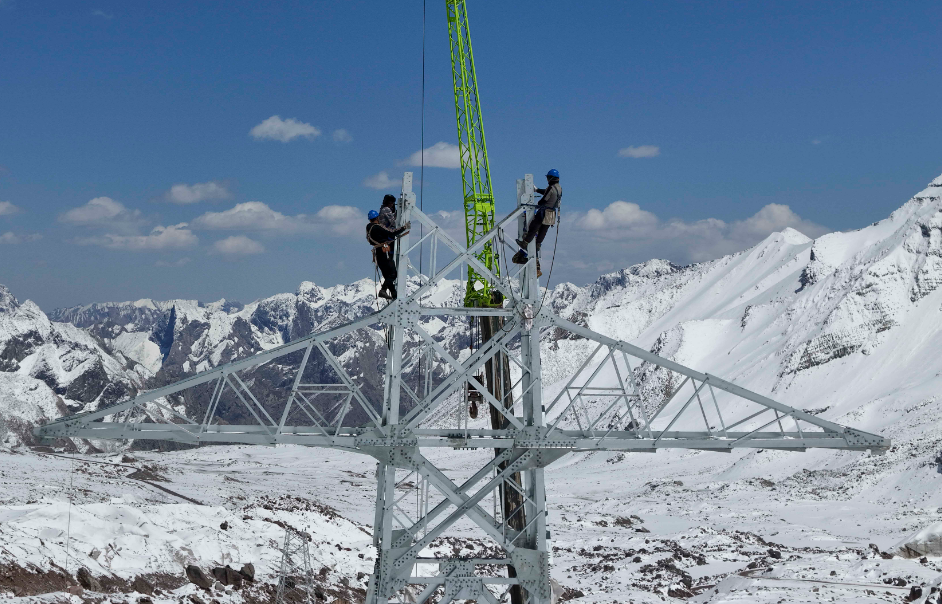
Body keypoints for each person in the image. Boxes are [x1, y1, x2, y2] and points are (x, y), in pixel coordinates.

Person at [513, 169, 562, 275]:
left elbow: (544, 199)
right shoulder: (559, 188)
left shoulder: (551, 188)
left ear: (551, 178)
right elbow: (548, 192)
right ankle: (538, 244)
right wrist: (537, 190)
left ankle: (525, 243)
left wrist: (539, 202)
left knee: (534, 227)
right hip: (552, 214)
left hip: (544, 211)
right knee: (543, 231)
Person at [366, 209, 410, 300]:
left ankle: (394, 295)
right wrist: (404, 228)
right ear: (377, 218)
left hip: (378, 253)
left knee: (387, 275)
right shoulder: (377, 227)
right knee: (392, 274)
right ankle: (383, 290)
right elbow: (391, 233)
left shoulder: (368, 228)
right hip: (384, 252)